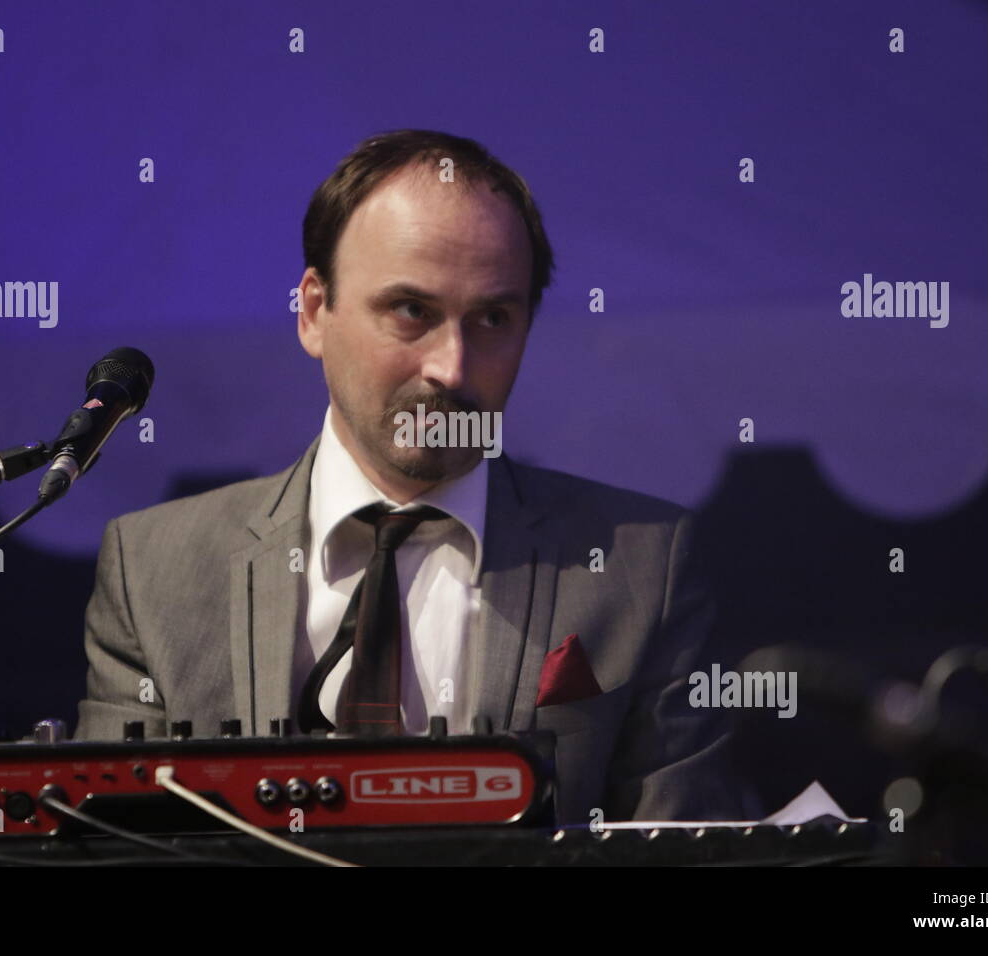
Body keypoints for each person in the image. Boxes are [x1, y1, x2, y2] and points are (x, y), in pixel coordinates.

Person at [74, 128, 758, 824]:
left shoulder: (643, 565)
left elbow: (681, 844)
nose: (452, 369)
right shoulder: (154, 569)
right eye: (411, 311)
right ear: (314, 312)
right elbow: (112, 843)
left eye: (493, 317)